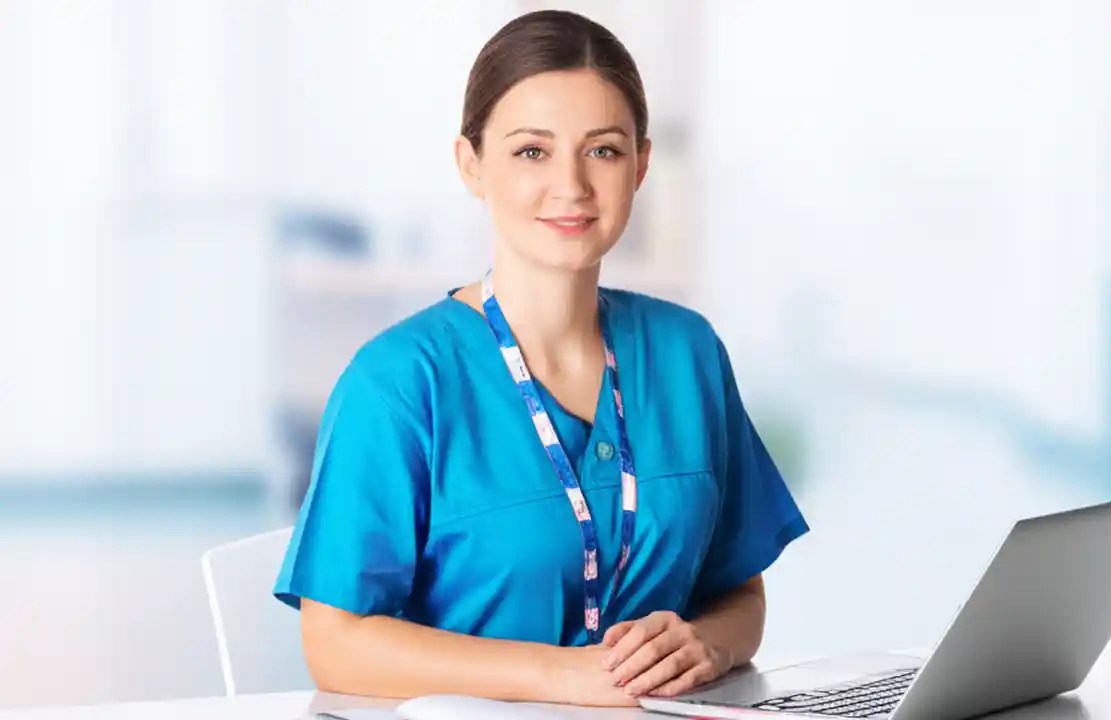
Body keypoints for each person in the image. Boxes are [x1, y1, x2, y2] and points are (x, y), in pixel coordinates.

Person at [273, 9, 808, 708]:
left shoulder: (688, 353)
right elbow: (334, 642)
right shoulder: (400, 382)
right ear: (472, 164)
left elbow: (737, 591)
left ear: (641, 165)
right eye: (532, 151)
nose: (572, 186)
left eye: (604, 150)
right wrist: (559, 677)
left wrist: (711, 644)